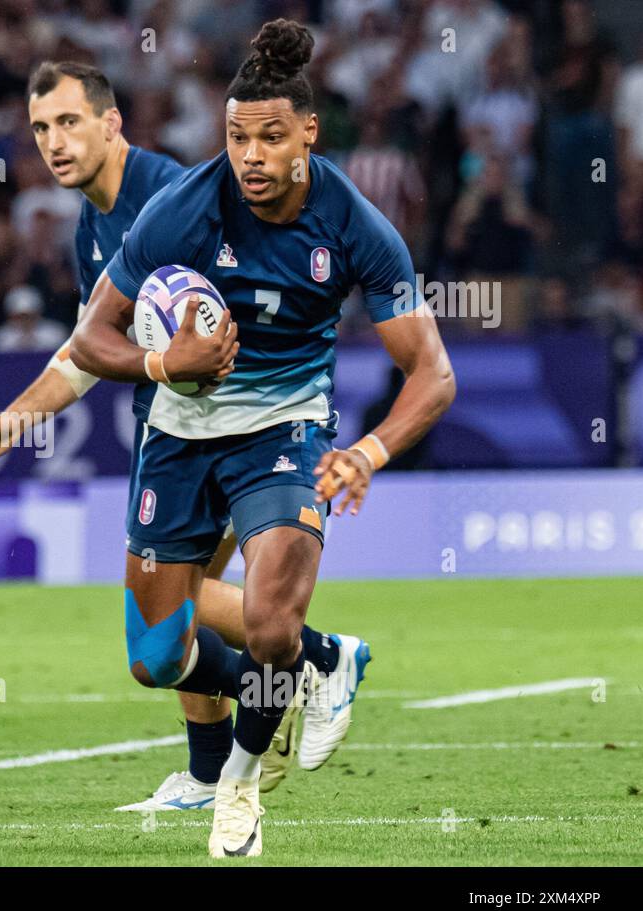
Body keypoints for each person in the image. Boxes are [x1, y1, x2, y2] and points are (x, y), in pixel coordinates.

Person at [71, 20, 455, 857]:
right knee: (155, 656)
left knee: (270, 621)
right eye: (238, 136)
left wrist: (367, 451)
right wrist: (161, 361)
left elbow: (433, 374)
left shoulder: (353, 225)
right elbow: (89, 342)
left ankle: (239, 786)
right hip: (178, 432)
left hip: (283, 430)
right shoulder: (180, 211)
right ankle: (327, 661)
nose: (251, 155)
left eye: (271, 137)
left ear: (308, 135)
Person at [0, 61, 362, 811]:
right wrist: (10, 424)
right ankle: (264, 711)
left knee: (183, 603)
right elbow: (82, 352)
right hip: (171, 434)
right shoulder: (92, 224)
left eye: (70, 122)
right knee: (167, 629)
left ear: (112, 123)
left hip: (241, 437)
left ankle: (307, 670)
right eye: (41, 129)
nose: (54, 143)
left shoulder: (174, 196)